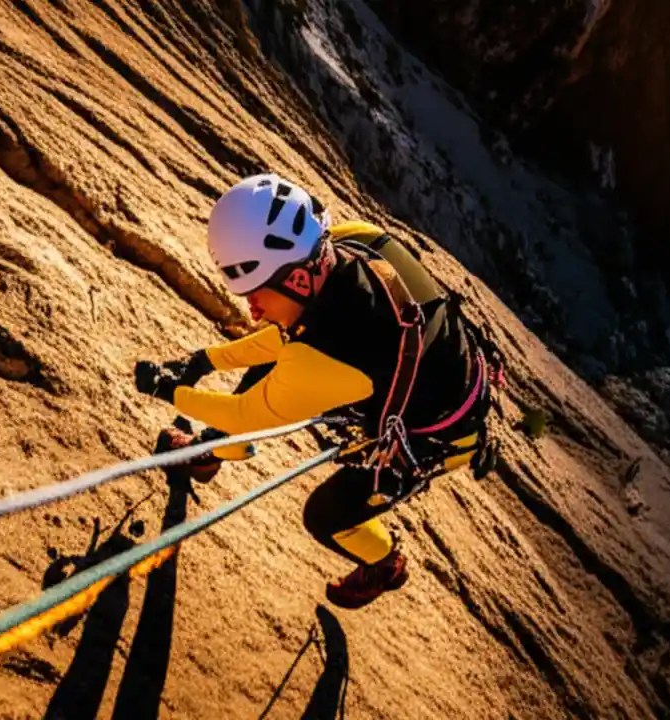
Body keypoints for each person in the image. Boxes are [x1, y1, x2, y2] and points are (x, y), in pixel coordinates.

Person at [134, 172, 503, 609]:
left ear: (298, 280)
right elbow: (289, 335)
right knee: (278, 357)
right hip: (445, 370)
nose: (252, 311)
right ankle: (212, 455)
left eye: (256, 294)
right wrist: (206, 360)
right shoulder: (351, 241)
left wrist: (168, 391)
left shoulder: (325, 360)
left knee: (327, 515)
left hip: (438, 435)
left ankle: (385, 563)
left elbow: (246, 414)